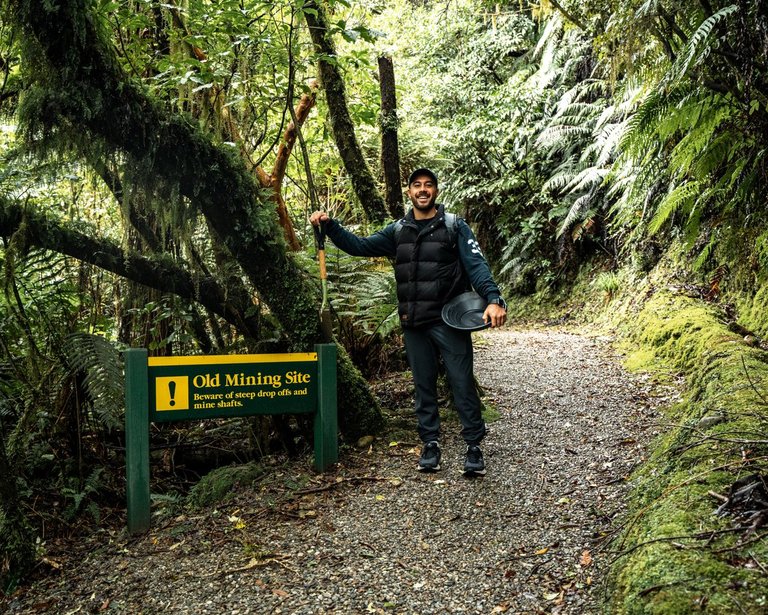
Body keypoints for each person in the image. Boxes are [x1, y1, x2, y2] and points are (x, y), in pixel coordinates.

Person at [310, 168, 506, 475]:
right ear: (409, 191)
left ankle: (474, 446)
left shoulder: (454, 226)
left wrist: (494, 299)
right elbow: (360, 246)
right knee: (423, 386)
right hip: (414, 323)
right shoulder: (398, 231)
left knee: (461, 382)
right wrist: (330, 225)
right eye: (417, 185)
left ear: (436, 191)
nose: (423, 190)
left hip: (449, 322)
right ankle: (430, 444)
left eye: (429, 185)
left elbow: (477, 266)